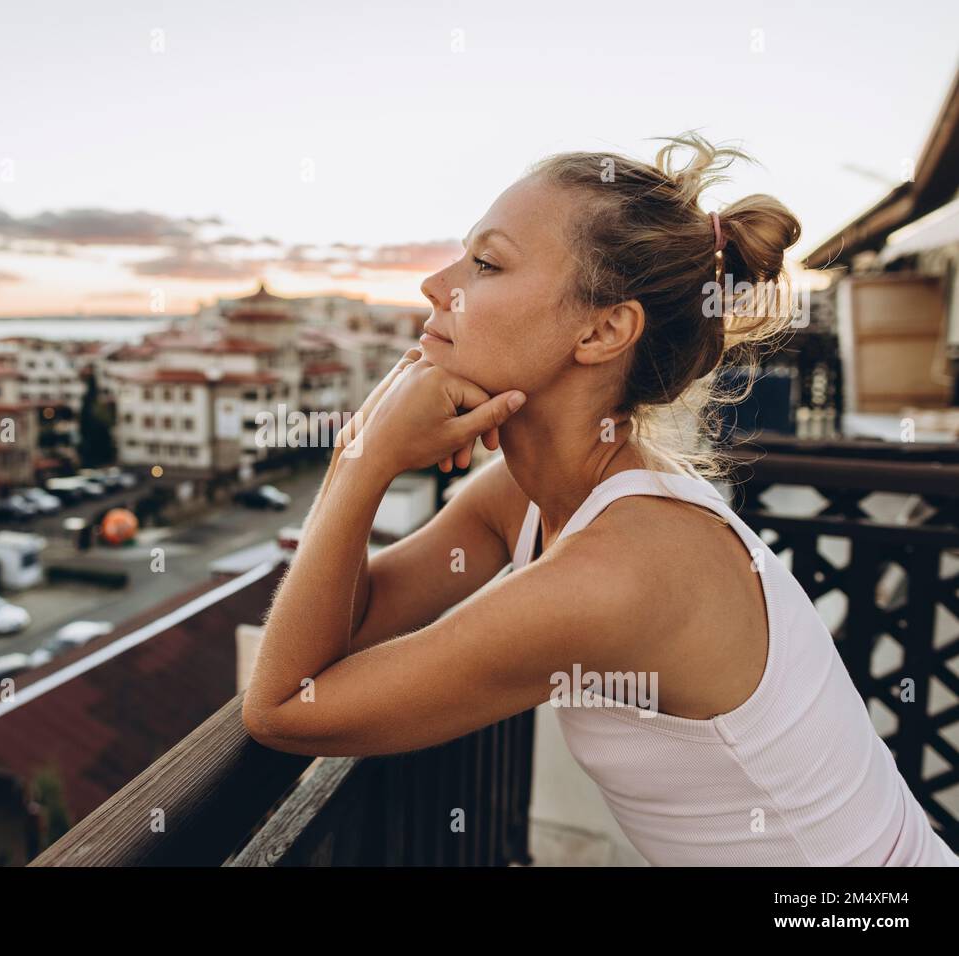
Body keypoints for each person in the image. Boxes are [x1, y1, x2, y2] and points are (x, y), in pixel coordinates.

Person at [241, 133, 959, 866]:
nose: (436, 284)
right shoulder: (526, 498)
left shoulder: (621, 570)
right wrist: (363, 457)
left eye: (485, 264)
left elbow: (282, 709)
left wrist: (358, 461)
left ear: (604, 329)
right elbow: (351, 624)